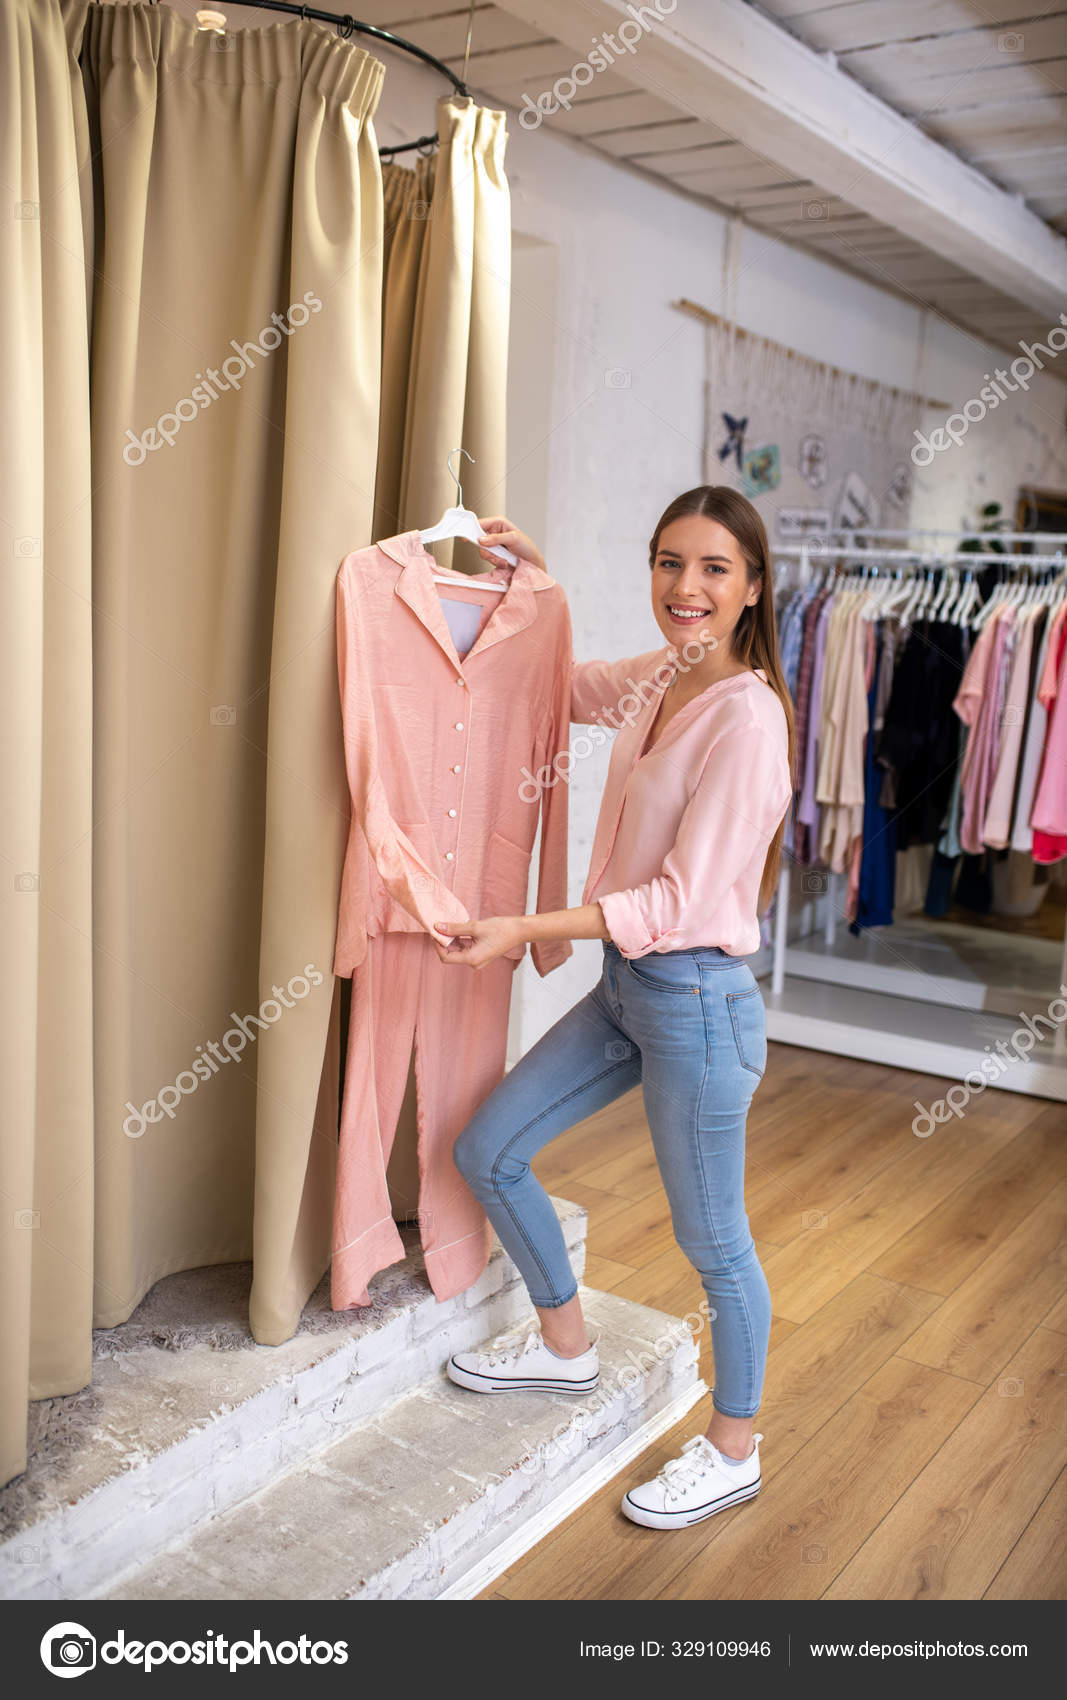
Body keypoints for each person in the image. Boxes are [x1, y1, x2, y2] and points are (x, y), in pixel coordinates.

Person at [432, 485, 796, 1530]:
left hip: (694, 999)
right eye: (668, 562)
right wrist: (532, 585)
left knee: (712, 1240)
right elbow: (570, 687)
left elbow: (680, 901)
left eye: (713, 569)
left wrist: (531, 924)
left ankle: (733, 1446)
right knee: (488, 1148)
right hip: (629, 989)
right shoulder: (667, 675)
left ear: (751, 588)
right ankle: (562, 1345)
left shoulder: (748, 718)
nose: (686, 587)